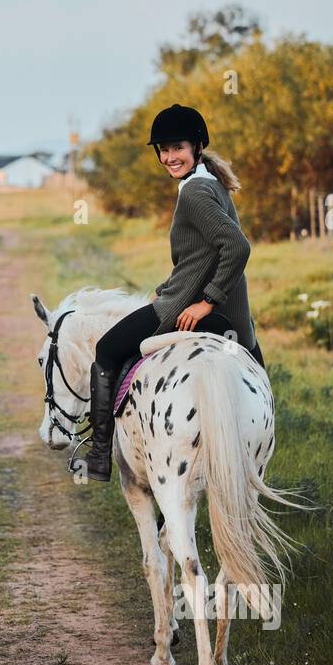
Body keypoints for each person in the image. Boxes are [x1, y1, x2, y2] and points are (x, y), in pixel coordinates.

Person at [82, 103, 265, 483]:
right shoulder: (209, 183)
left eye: (176, 148)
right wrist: (165, 287)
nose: (169, 157)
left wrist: (205, 301)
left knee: (106, 350)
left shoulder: (194, 193)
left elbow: (237, 247)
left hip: (188, 309)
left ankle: (98, 456)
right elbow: (200, 257)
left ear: (197, 146)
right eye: (163, 150)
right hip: (236, 320)